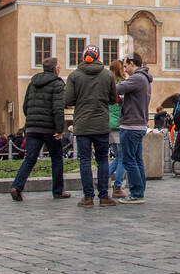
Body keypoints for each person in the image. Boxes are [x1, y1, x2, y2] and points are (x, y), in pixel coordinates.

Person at [63, 45, 119, 207]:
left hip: (82, 123)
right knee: (102, 160)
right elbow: (113, 99)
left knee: (85, 161)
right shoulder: (107, 75)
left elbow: (68, 101)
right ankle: (103, 196)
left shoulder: (74, 76)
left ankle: (88, 197)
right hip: (101, 123)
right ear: (98, 57)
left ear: (83, 57)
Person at [9, 56, 70, 201]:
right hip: (49, 128)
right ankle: (58, 190)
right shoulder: (57, 84)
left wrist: (31, 119)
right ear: (55, 69)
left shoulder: (32, 83)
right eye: (59, 68)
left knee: (29, 159)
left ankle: (17, 186)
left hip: (31, 127)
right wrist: (59, 128)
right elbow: (58, 108)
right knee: (56, 158)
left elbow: (25, 106)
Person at [115, 52, 152, 204]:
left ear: (132, 63)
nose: (124, 70)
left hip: (131, 125)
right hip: (139, 124)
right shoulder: (144, 79)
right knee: (137, 160)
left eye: (125, 66)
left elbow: (117, 89)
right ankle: (139, 190)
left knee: (129, 160)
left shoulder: (136, 78)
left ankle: (136, 193)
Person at [107, 59, 128, 198]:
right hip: (118, 124)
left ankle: (102, 177)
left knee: (118, 156)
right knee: (123, 158)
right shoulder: (122, 85)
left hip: (108, 124)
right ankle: (118, 185)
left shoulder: (107, 84)